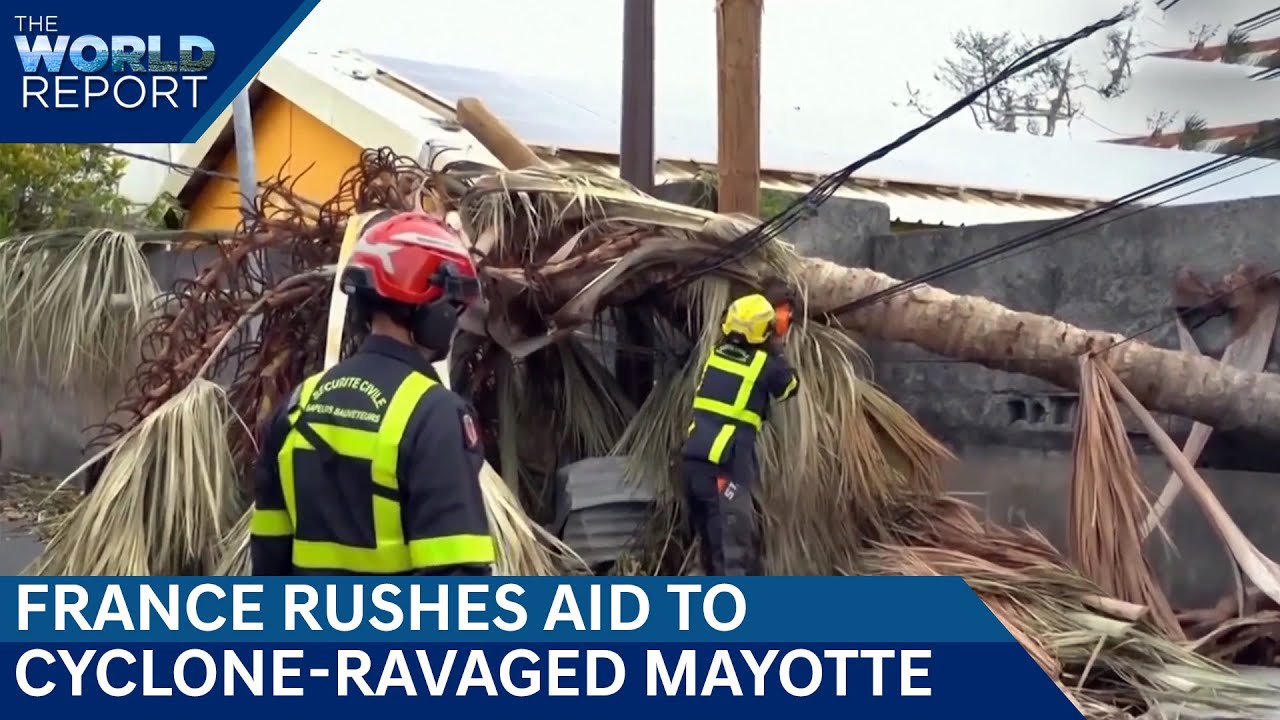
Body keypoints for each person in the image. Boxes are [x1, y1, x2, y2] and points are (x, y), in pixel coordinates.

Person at [249, 211, 496, 576]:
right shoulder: (435, 415)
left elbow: (267, 562)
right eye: (453, 308)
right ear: (433, 311)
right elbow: (456, 579)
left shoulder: (299, 405)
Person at [682, 292, 799, 576]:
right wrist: (778, 344)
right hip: (724, 470)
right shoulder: (764, 366)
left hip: (693, 467)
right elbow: (789, 386)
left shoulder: (715, 357)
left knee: (712, 550)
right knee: (733, 557)